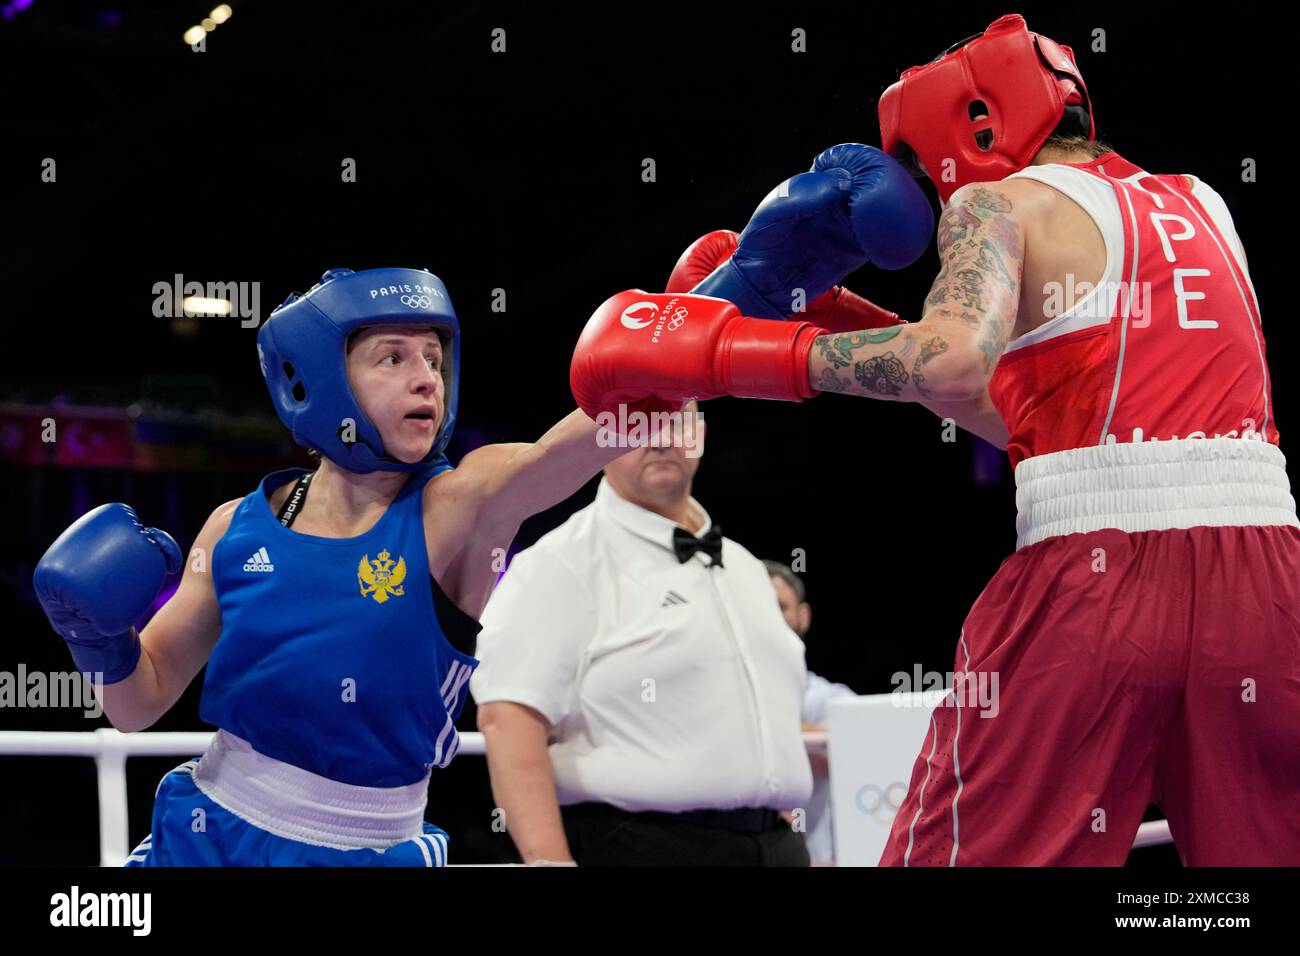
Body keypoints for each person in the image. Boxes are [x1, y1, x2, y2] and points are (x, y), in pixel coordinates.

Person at [568, 13, 1300, 865]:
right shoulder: (1204, 202)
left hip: (1100, 574)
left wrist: (739, 352)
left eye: (918, 165)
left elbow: (948, 362)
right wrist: (844, 316)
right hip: (1267, 579)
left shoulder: (995, 201)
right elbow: (1032, 421)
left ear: (974, 127)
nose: (925, 189)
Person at [34, 266, 648, 866]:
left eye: (434, 359)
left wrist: (684, 335)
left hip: (370, 846)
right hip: (208, 830)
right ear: (322, 378)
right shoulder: (234, 526)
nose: (426, 380)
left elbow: (571, 448)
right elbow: (135, 706)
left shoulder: (457, 506)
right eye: (393, 358)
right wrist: (99, 641)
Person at [471, 405, 815, 866]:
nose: (659, 438)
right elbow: (508, 719)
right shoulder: (559, 562)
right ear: (604, 437)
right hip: (637, 845)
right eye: (639, 423)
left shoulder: (746, 569)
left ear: (701, 434)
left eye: (675, 420)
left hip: (773, 845)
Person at [764, 560, 856, 866]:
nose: (768, 617)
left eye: (780, 606)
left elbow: (864, 746)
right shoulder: (713, 698)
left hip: (822, 857)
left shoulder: (833, 699)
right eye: (760, 605)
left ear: (803, 616)